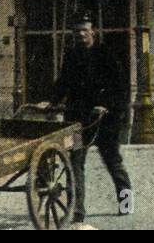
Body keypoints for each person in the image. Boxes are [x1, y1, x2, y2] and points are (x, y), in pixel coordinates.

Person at [43, 17, 131, 222]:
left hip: (105, 120)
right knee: (75, 163)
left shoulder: (106, 54)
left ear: (93, 32)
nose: (81, 35)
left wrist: (106, 105)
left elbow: (120, 86)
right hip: (77, 119)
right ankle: (77, 210)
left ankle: (126, 202)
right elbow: (63, 82)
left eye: (85, 31)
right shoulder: (72, 55)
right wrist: (53, 101)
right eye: (77, 32)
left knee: (113, 162)